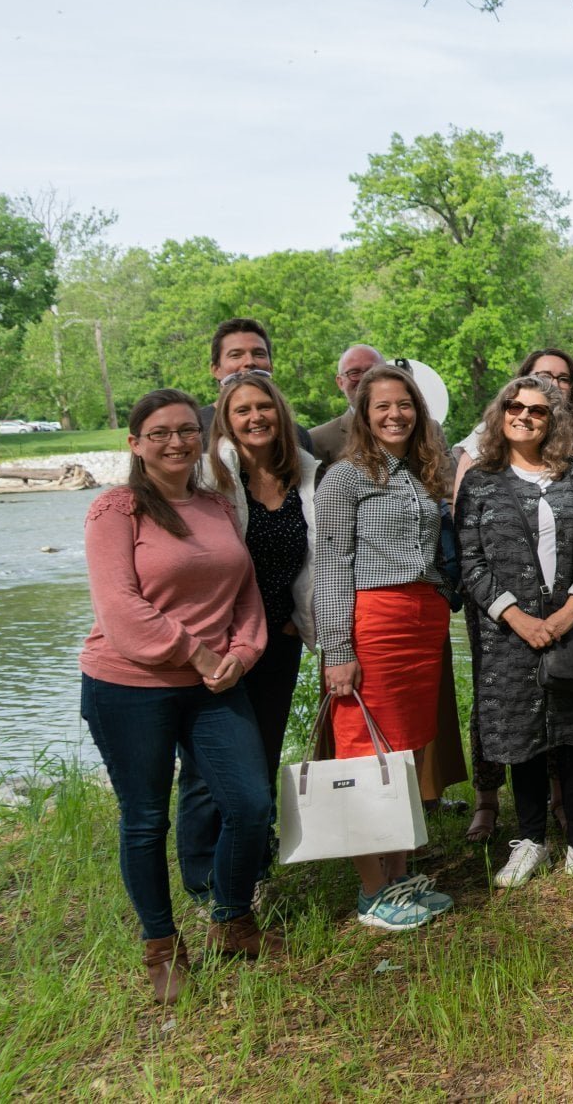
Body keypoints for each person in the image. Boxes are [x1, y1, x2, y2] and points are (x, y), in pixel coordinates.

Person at [81, 390, 276, 1002]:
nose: (176, 442)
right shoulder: (115, 510)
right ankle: (161, 946)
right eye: (159, 432)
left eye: (187, 430)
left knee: (250, 806)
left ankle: (231, 920)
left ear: (202, 437)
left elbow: (246, 592)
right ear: (134, 443)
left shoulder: (217, 505)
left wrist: (241, 654)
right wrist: (198, 653)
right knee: (145, 820)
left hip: (215, 683)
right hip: (127, 685)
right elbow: (121, 609)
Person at [457, 376, 573, 887]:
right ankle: (529, 840)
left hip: (572, 625)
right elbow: (470, 560)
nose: (525, 416)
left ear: (553, 420)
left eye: (537, 410)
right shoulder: (481, 480)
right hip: (509, 633)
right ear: (500, 413)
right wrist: (516, 617)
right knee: (522, 737)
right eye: (515, 406)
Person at [311, 363, 458, 930]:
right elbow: (330, 566)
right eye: (382, 407)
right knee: (364, 754)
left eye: (405, 405)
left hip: (422, 619)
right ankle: (372, 890)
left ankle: (399, 877)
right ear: (362, 415)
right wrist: (338, 648)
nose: (395, 415)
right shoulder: (344, 478)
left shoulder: (419, 471)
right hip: (373, 622)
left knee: (405, 755)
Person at [177, 370, 319, 904]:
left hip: (276, 643)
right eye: (242, 410)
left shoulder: (304, 476)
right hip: (219, 642)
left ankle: (251, 873)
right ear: (226, 421)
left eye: (265, 407)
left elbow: (310, 560)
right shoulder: (209, 481)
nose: (255, 417)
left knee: (258, 757)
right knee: (205, 765)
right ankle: (202, 882)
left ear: (280, 415)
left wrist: (294, 620)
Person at [200, 317, 314, 454]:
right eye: (236, 355)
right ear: (216, 370)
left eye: (259, 354)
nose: (249, 362)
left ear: (270, 367)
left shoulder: (297, 435)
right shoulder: (194, 428)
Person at [310, 343, 382, 467]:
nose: (364, 378)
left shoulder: (417, 429)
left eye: (373, 371)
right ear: (340, 382)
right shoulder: (316, 440)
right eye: (354, 373)